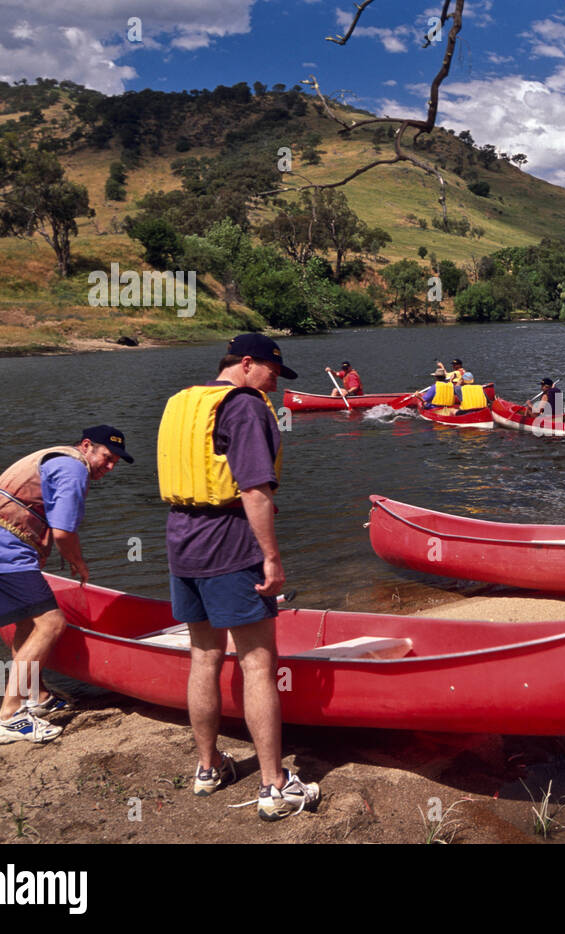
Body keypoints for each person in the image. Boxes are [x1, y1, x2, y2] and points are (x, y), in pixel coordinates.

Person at [158, 333, 319, 821]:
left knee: (204, 657)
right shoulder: (244, 405)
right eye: (272, 370)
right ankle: (274, 786)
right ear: (246, 364)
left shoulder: (184, 400)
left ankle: (208, 769)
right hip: (228, 542)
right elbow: (252, 489)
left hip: (181, 541)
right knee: (256, 662)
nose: (274, 381)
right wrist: (271, 557)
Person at [0, 425, 132, 745]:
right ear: (87, 446)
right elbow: (64, 532)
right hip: (1, 549)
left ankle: (35, 696)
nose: (109, 467)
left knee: (27, 625)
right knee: (51, 623)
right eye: (107, 458)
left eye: (115, 463)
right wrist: (78, 563)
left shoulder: (58, 458)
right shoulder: (74, 466)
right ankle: (9, 717)